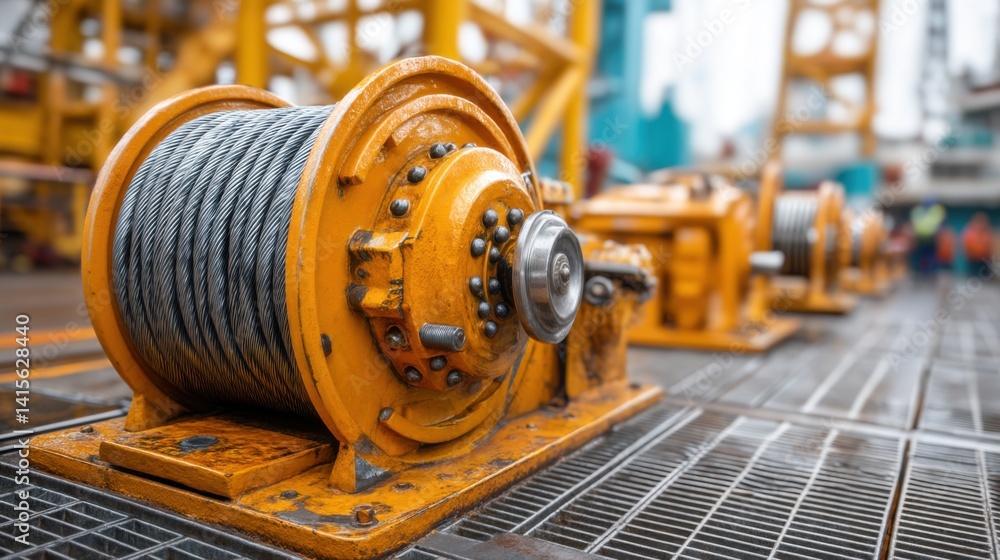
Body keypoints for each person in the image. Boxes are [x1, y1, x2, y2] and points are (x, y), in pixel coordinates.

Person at [910, 197, 946, 275]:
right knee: (924, 255)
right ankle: (925, 271)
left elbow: (939, 224)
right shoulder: (919, 211)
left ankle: (930, 271)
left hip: (932, 237)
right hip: (921, 238)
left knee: (931, 255)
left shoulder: (936, 210)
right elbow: (915, 224)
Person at [962, 212, 995, 279]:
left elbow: (990, 244)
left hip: (984, 259)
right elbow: (966, 243)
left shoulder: (987, 231)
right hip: (973, 258)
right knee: (973, 276)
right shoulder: (970, 231)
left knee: (984, 277)